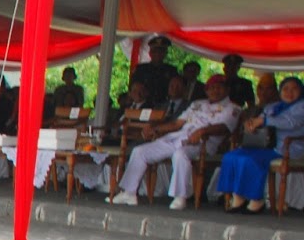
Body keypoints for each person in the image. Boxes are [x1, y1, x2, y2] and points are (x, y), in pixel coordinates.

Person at [111, 72, 240, 209]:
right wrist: (156, 129)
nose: (215, 90)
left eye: (219, 87)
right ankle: (129, 193)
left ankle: (180, 196)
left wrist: (202, 131)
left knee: (180, 154)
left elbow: (225, 128)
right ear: (206, 90)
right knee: (140, 151)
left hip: (203, 143)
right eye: (211, 87)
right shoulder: (197, 104)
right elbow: (177, 124)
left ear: (227, 90)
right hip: (179, 137)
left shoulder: (233, 108)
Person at [215, 74, 304, 212]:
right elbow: (259, 120)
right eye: (286, 89)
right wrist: (250, 124)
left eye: (294, 89)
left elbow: (291, 123)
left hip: (287, 148)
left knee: (252, 159)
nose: (289, 92)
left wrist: (265, 121)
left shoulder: (301, 106)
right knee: (231, 156)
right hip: (265, 146)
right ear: (280, 92)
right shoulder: (273, 107)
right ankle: (238, 196)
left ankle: (257, 199)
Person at [130, 34, 176, 105]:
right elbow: (133, 88)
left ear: (165, 53)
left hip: (164, 105)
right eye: (155, 52)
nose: (157, 54)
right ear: (150, 53)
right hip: (143, 104)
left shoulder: (171, 70)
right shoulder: (141, 69)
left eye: (161, 52)